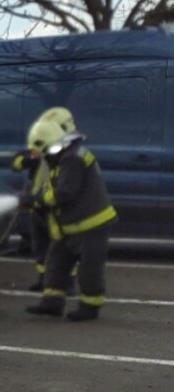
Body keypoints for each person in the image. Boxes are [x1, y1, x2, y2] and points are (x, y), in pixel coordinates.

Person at [23, 118, 117, 321]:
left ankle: (90, 307)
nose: (44, 156)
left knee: (89, 269)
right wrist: (36, 200)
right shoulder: (65, 156)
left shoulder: (72, 159)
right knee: (56, 263)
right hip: (71, 226)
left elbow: (65, 192)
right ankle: (52, 304)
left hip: (92, 224)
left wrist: (38, 200)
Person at [12, 107, 76, 291]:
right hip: (37, 208)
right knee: (40, 247)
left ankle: (68, 284)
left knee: (62, 247)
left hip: (56, 209)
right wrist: (27, 160)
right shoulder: (38, 148)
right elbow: (16, 163)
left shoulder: (68, 154)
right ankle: (43, 280)